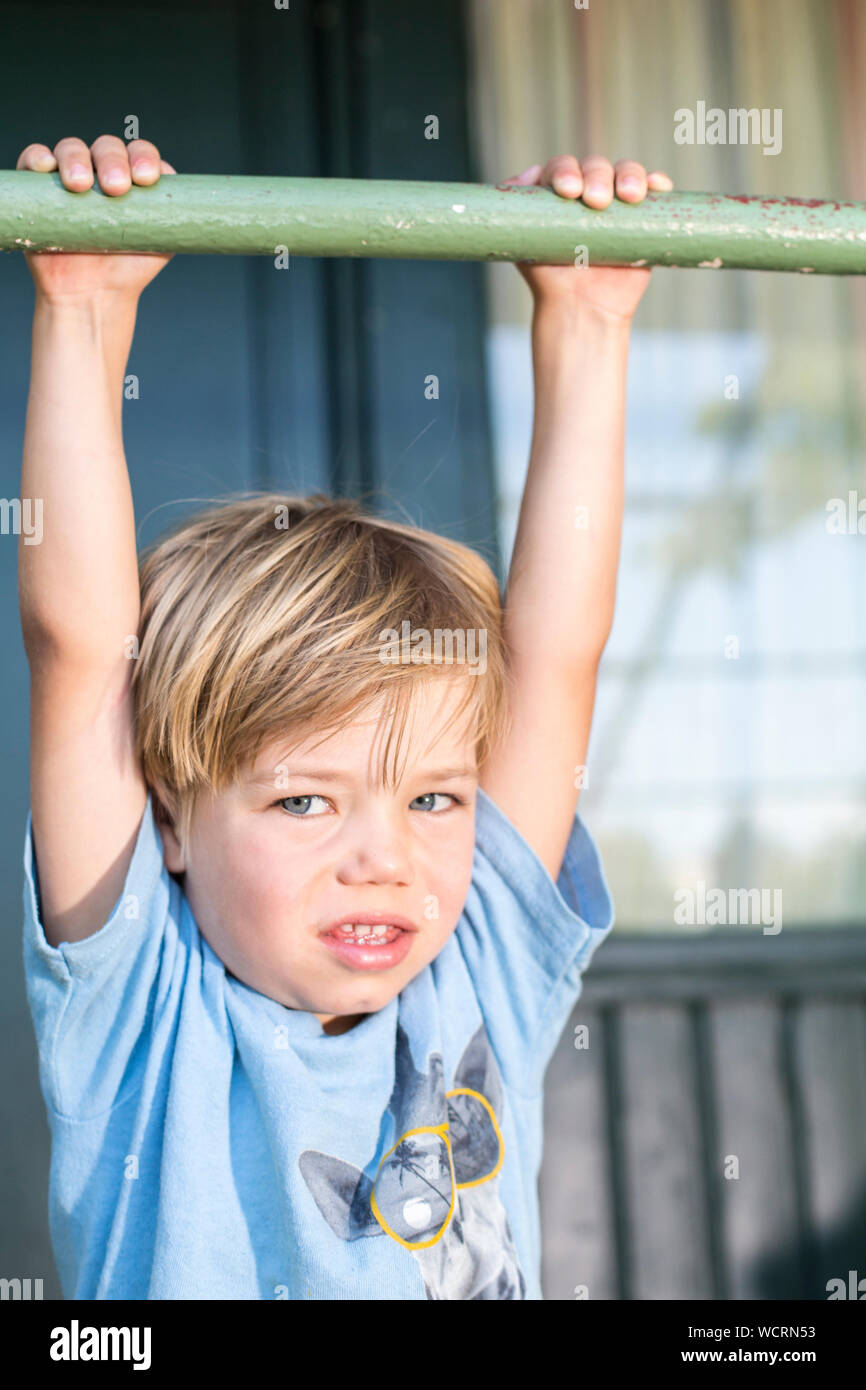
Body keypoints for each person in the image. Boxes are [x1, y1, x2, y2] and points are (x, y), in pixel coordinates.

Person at [16, 133, 673, 1299]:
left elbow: (558, 653)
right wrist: (83, 306)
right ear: (170, 823)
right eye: (306, 799)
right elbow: (77, 647)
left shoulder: (478, 964)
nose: (388, 860)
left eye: (433, 797)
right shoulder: (138, 1010)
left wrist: (586, 323)